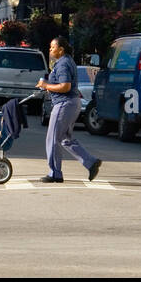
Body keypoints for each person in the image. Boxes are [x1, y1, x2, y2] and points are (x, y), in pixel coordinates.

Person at [35, 37, 100, 183]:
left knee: (52, 138)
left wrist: (45, 86)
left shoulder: (63, 63)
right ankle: (91, 162)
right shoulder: (67, 61)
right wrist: (47, 85)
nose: (50, 50)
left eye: (52, 47)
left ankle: (55, 173)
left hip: (64, 104)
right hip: (71, 103)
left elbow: (65, 86)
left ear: (61, 49)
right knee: (65, 139)